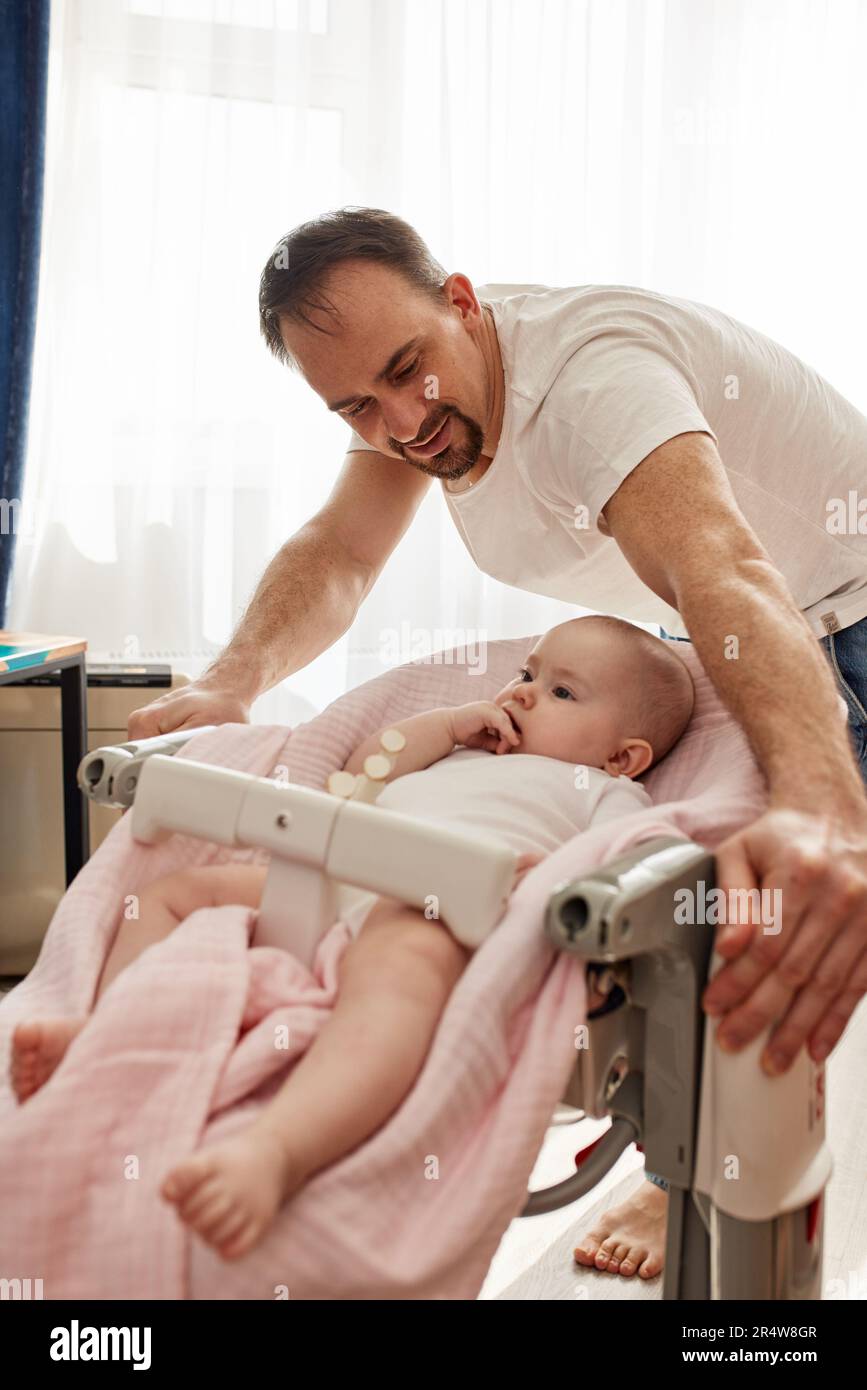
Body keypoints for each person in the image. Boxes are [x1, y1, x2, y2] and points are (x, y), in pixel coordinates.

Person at [126, 207, 867, 1277]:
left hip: (834, 617)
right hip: (723, 630)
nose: (400, 422)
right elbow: (340, 549)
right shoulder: (409, 399)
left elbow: (726, 573)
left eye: (407, 371)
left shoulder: (592, 381)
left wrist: (824, 807)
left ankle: (734, 1211)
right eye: (357, 407)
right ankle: (692, 1170)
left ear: (464, 303)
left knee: (769, 912)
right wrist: (228, 681)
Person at [10, 616, 693, 1263]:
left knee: (399, 971)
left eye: (561, 692)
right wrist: (444, 725)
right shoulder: (459, 751)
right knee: (174, 894)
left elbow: (630, 860)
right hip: (338, 877)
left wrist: (548, 878)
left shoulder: (602, 792)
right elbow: (364, 774)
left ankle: (277, 1151)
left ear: (620, 756)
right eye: (527, 672)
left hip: (438, 906)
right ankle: (109, 1031)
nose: (521, 692)